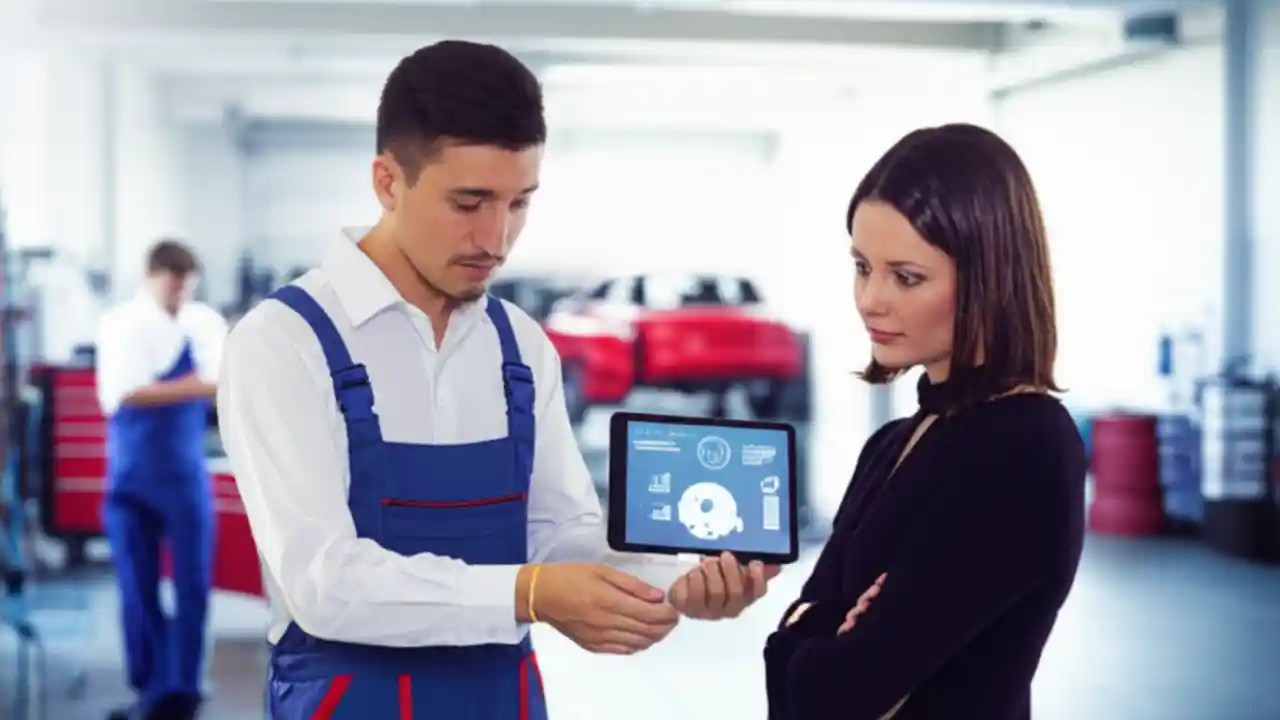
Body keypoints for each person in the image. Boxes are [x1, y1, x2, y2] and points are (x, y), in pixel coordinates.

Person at [216, 39, 776, 720]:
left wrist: (676, 579)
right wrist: (529, 593)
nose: (497, 238)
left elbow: (559, 533)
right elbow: (323, 582)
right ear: (388, 182)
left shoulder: (520, 345)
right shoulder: (283, 342)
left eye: (519, 203)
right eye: (469, 202)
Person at [763, 124, 1086, 720]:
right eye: (862, 266)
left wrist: (804, 634)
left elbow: (829, 697)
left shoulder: (1023, 449)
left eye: (906, 277)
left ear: (990, 277)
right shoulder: (893, 443)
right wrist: (817, 633)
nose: (869, 299)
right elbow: (807, 666)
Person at [95, 239, 229, 720]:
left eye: (186, 286)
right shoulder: (121, 323)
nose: (179, 295)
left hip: (183, 475)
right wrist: (196, 385)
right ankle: (151, 690)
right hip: (131, 478)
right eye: (173, 284)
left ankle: (184, 688)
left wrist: (183, 387)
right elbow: (121, 394)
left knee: (194, 585)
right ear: (152, 276)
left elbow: (224, 381)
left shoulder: (203, 322)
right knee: (138, 587)